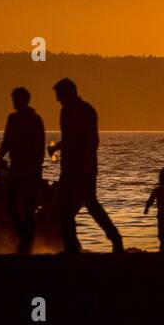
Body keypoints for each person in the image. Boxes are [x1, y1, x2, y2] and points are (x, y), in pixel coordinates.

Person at [51, 78, 123, 254]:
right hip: (67, 167)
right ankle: (71, 246)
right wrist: (56, 147)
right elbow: (68, 138)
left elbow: (93, 140)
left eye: (60, 95)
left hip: (85, 167)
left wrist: (89, 163)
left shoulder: (87, 111)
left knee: (91, 204)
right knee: (65, 207)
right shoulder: (64, 112)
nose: (57, 99)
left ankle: (115, 239)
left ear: (70, 93)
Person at [0, 87, 46, 254]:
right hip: (16, 167)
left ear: (23, 100)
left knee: (29, 208)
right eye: (13, 98)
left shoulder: (35, 120)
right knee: (11, 204)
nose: (13, 101)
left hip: (31, 170)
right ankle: (24, 237)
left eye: (15, 98)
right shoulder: (12, 118)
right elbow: (6, 141)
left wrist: (36, 166)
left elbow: (40, 146)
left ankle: (26, 246)